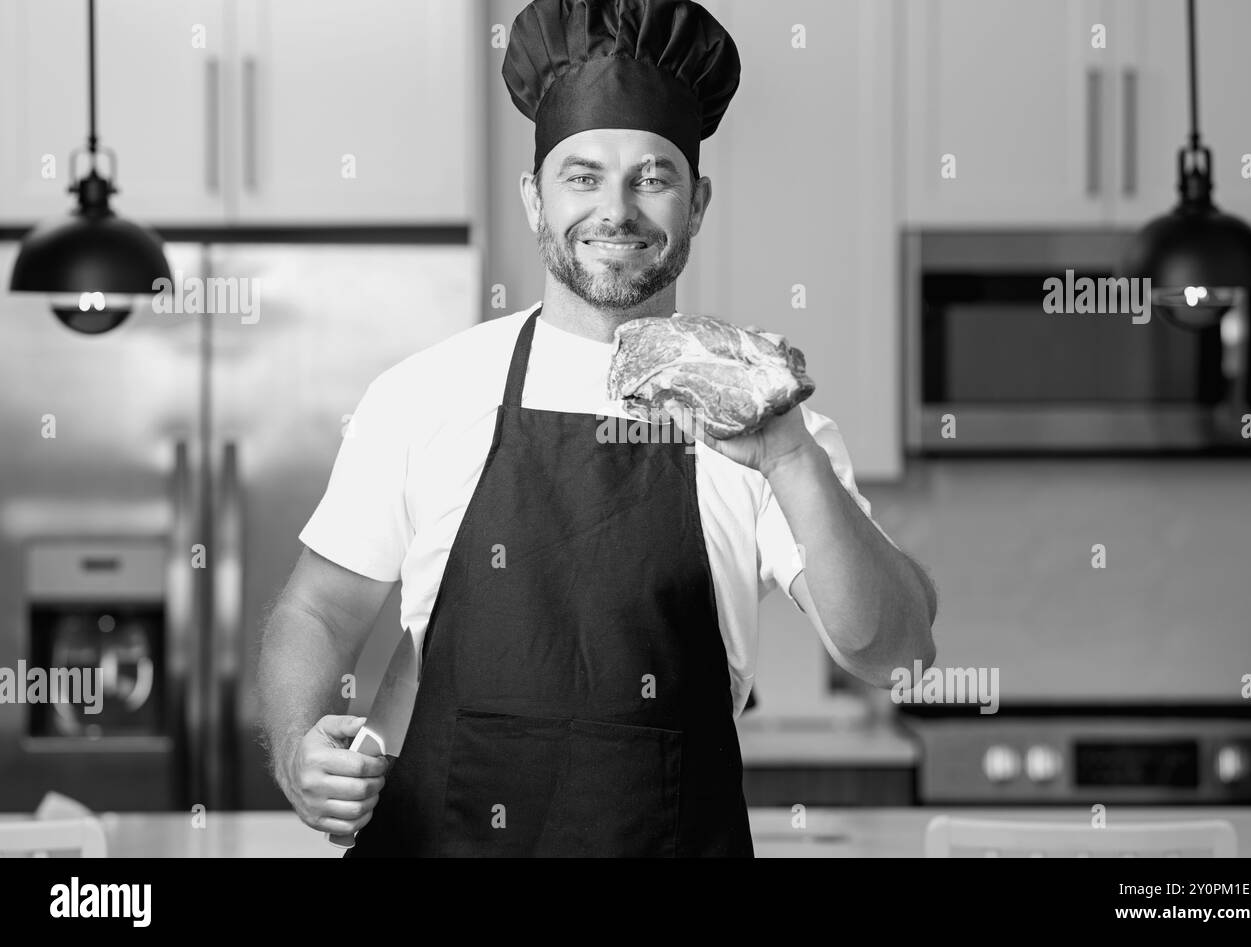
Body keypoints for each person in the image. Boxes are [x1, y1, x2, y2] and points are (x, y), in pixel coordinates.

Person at [258, 0, 937, 858]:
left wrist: (792, 457)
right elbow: (316, 610)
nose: (616, 209)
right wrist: (294, 748)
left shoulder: (762, 413)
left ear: (698, 203)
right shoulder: (425, 394)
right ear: (534, 198)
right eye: (581, 175)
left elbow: (895, 651)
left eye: (652, 176)